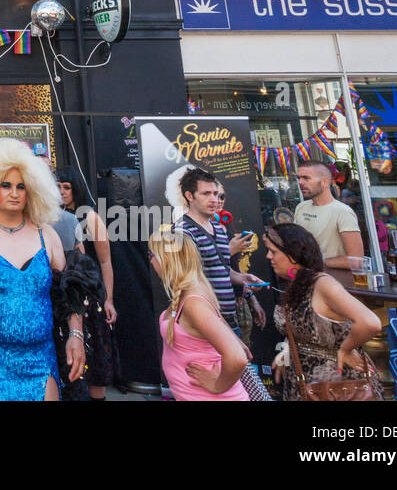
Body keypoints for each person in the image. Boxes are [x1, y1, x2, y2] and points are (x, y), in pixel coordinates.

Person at [0, 139, 86, 401]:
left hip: (40, 356)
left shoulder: (47, 235)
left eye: (21, 186)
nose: (15, 193)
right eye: (6, 185)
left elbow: (71, 292)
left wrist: (76, 334)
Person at [265, 223, 383, 401]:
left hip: (337, 387)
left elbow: (370, 322)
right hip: (304, 383)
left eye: (273, 251)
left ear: (293, 255)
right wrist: (288, 353)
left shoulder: (323, 284)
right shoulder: (298, 285)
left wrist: (346, 349)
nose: (268, 256)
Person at [147, 228, 249, 401]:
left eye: (152, 255)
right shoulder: (190, 291)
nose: (150, 260)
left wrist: (217, 385)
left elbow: (237, 358)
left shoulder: (193, 302)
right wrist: (231, 337)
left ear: (165, 259)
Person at [170, 166, 266, 336]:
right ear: (189, 196)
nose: (214, 199)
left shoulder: (218, 228)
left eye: (216, 194)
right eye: (206, 194)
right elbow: (187, 279)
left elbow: (221, 269)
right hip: (204, 324)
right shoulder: (182, 231)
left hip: (229, 320)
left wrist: (243, 278)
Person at [57, 169, 117, 400]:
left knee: (94, 364)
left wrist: (108, 298)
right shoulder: (49, 217)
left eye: (67, 187)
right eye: (58, 187)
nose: (61, 192)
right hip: (63, 297)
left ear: (76, 189)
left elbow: (105, 261)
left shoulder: (89, 217)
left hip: (89, 297)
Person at [293, 160, 363, 267]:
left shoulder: (343, 212)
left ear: (325, 182)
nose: (300, 182)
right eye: (299, 178)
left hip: (334, 280)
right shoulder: (301, 207)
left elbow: (356, 261)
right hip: (305, 279)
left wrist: (317, 262)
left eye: (306, 178)